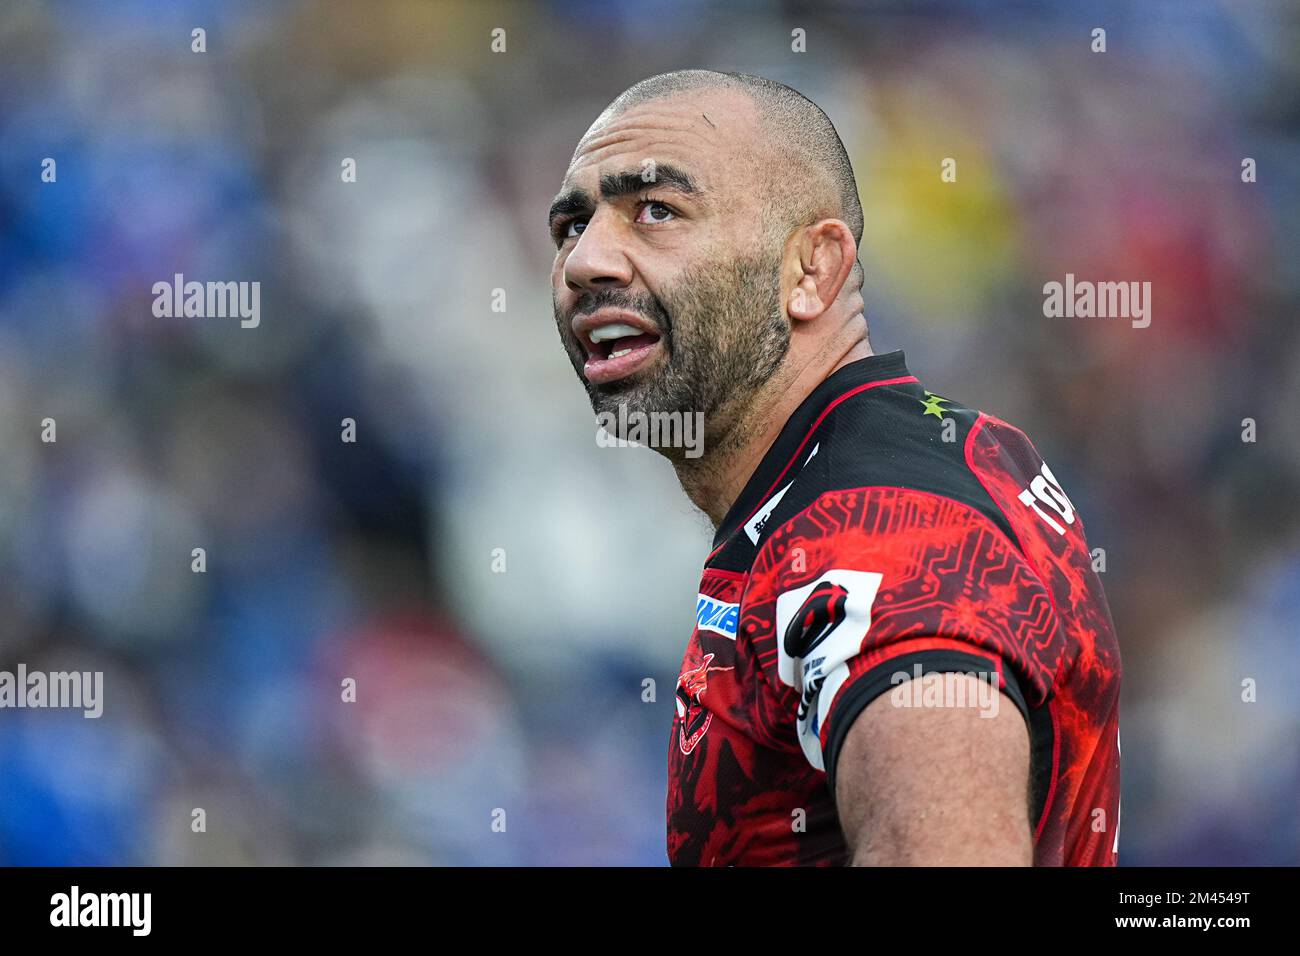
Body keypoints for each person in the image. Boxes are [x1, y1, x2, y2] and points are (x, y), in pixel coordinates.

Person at [547, 69, 1121, 866]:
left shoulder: (875, 534)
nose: (586, 261)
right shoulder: (931, 448)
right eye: (571, 225)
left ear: (811, 271)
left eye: (656, 211)